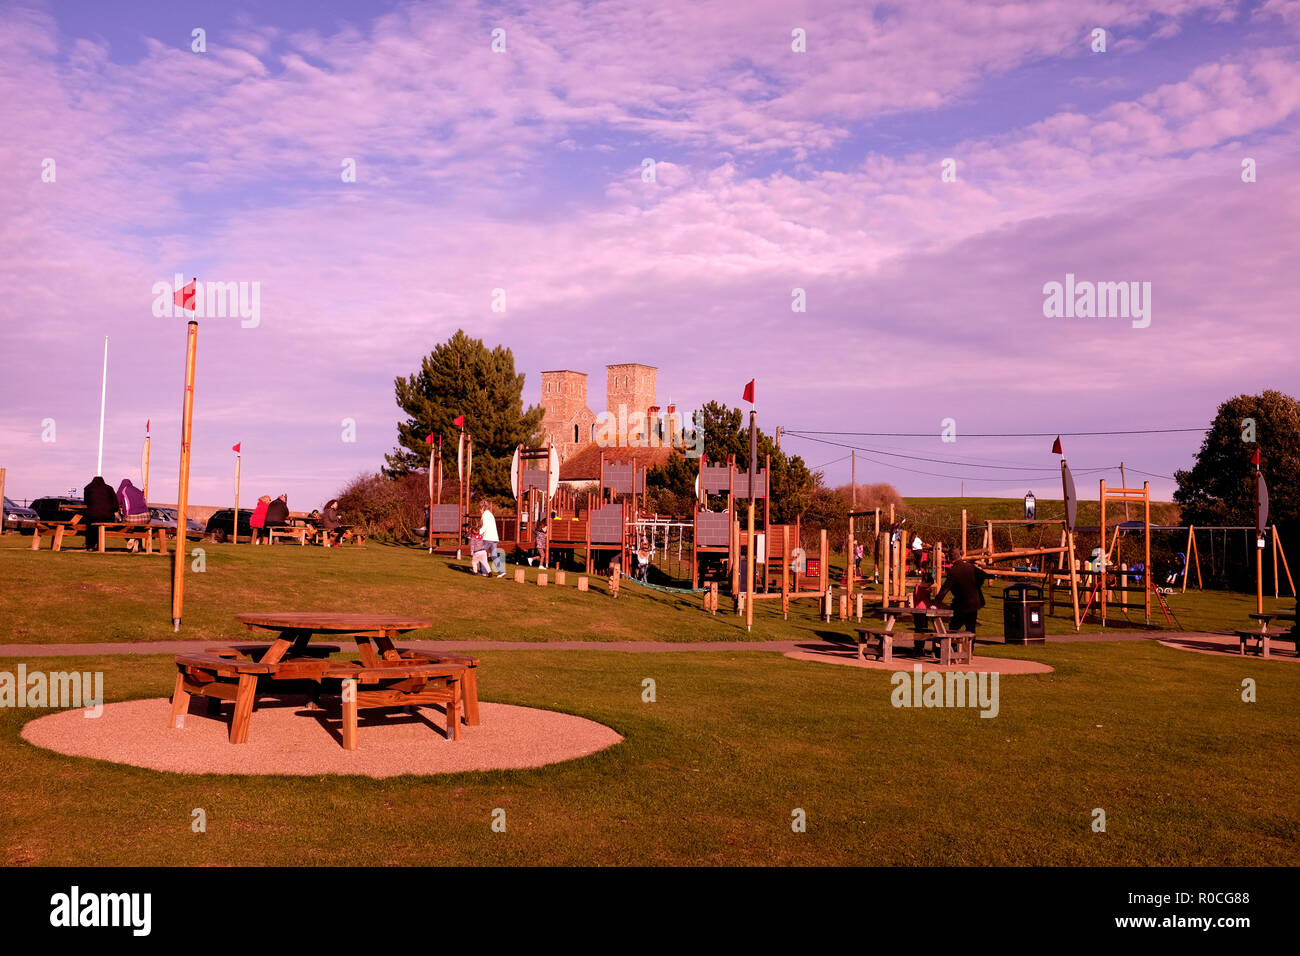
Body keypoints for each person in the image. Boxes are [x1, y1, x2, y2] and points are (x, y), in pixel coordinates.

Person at [934, 556, 988, 636]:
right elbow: (983, 575)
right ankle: (970, 647)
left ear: (950, 559)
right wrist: (977, 585)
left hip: (961, 604)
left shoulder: (953, 571)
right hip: (974, 603)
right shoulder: (970, 566)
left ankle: (953, 646)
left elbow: (945, 589)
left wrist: (936, 602)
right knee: (971, 628)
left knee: (954, 627)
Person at [82, 475, 119, 552]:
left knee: (90, 525)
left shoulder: (88, 488)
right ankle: (98, 544)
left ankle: (90, 545)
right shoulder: (109, 488)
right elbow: (116, 504)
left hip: (92, 515)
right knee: (98, 524)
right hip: (107, 516)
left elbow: (86, 502)